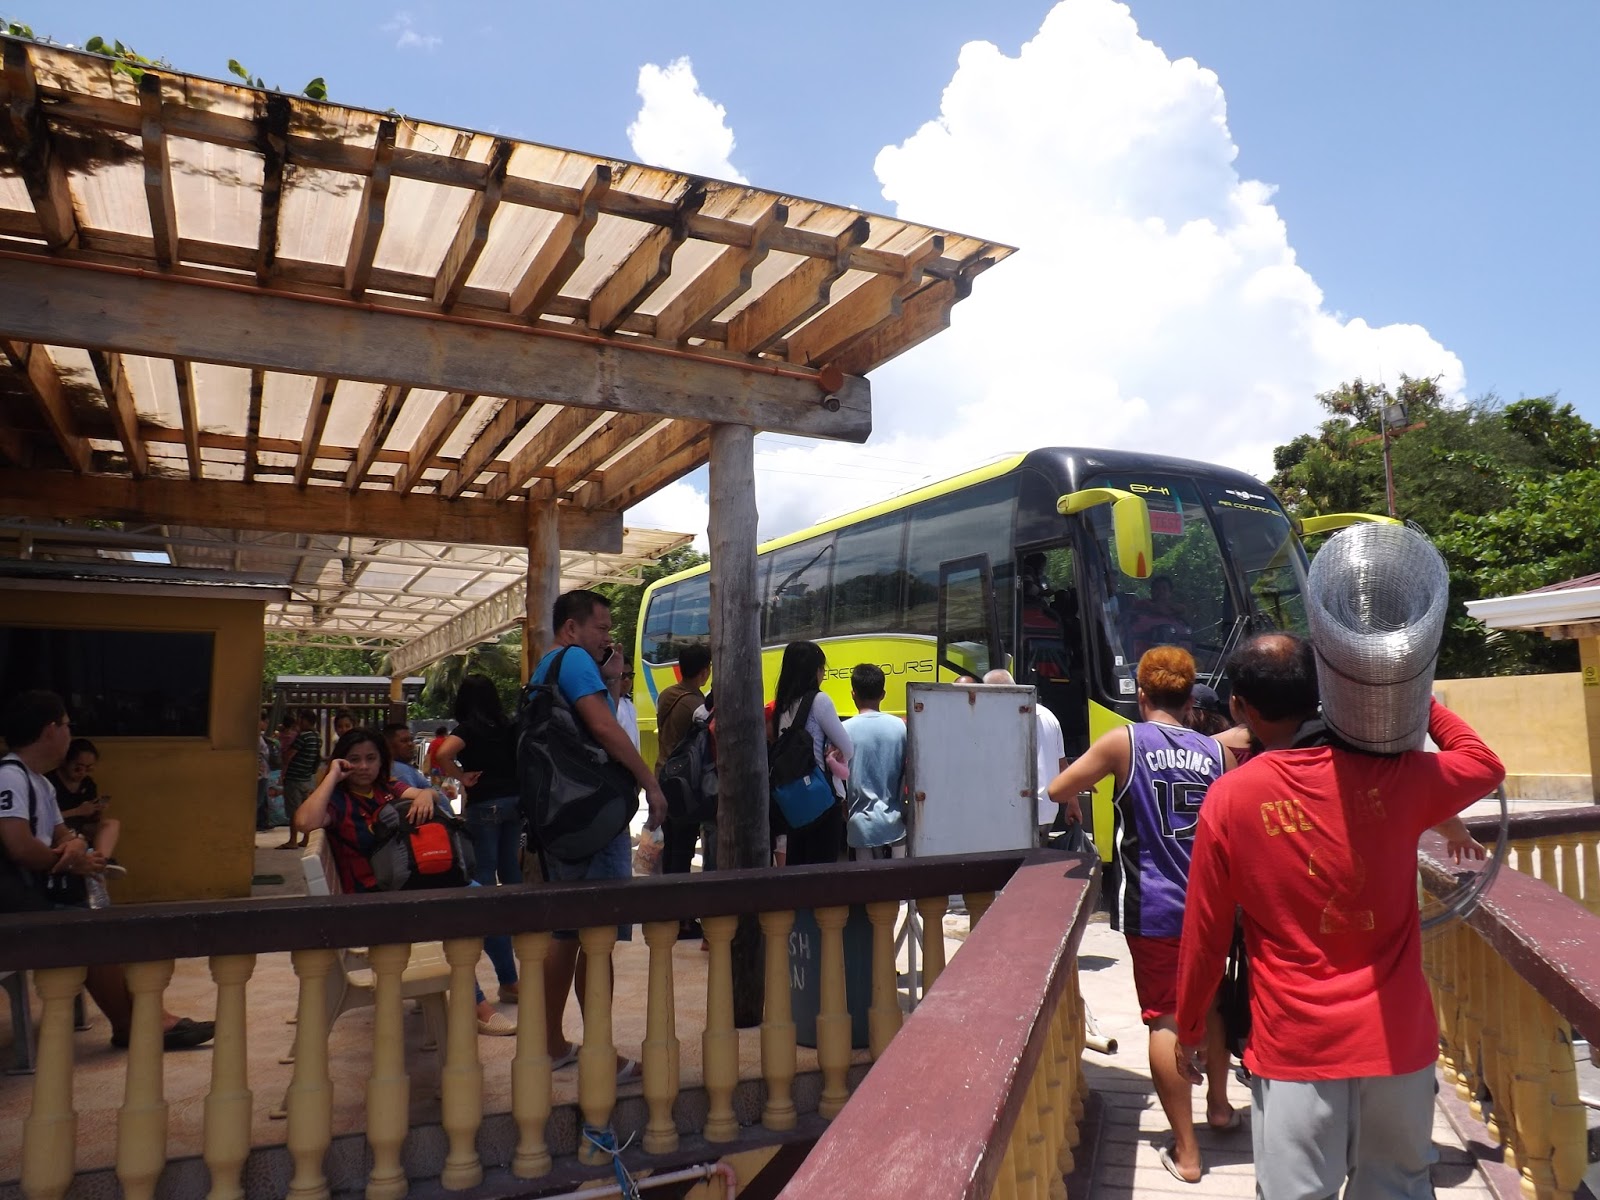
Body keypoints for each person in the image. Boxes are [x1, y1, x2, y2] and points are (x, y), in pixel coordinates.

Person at [1175, 634, 1503, 1198]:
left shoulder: (1230, 799)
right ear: (1323, 690)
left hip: (1296, 1045)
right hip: (1397, 1039)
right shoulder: (1396, 776)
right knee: (1398, 1188)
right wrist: (1413, 697)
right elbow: (1484, 765)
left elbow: (1205, 935)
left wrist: (1189, 1029)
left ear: (1240, 707)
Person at [1045, 647, 1233, 1183]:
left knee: (1165, 1017)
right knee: (1211, 1005)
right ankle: (1220, 1107)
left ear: (1142, 695)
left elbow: (1058, 789)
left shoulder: (1123, 742)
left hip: (1152, 906)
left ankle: (1188, 1151)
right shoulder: (1217, 753)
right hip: (1211, 905)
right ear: (1191, 699)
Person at [1, 691, 214, 1049]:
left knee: (108, 926)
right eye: (67, 725)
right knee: (93, 933)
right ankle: (133, 1025)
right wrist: (67, 859)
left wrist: (74, 848)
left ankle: (147, 1018)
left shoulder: (39, 781)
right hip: (14, 905)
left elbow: (63, 833)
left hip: (35, 896)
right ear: (51, 730)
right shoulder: (10, 777)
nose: (69, 733)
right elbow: (18, 845)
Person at [292, 727, 515, 1037]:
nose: (364, 766)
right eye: (354, 759)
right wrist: (331, 776)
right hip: (373, 902)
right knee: (457, 916)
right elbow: (305, 822)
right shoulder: (338, 803)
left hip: (407, 888)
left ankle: (509, 982)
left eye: (371, 758)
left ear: (381, 761)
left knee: (487, 902)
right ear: (342, 762)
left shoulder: (387, 788)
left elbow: (429, 793)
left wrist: (425, 794)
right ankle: (475, 1004)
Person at [532, 589, 667, 1076]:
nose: (607, 638)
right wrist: (650, 783)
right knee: (598, 937)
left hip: (561, 815)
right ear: (571, 628)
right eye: (602, 628)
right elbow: (605, 729)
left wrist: (609, 678)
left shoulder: (546, 666)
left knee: (566, 933)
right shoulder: (574, 660)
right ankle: (600, 1052)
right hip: (594, 817)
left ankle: (551, 1043)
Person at [432, 676, 522, 1005]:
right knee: (510, 867)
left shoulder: (468, 729)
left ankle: (490, 925)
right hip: (514, 802)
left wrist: (462, 777)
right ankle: (517, 923)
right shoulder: (508, 726)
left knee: (484, 872)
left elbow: (443, 754)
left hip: (485, 805)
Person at [767, 640, 852, 866]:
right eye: (822, 668)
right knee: (822, 873)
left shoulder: (782, 705)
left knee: (799, 870)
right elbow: (848, 748)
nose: (823, 674)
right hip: (821, 798)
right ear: (814, 670)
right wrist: (832, 752)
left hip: (793, 801)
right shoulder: (819, 701)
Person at [983, 668, 1067, 846]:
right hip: (1047, 811)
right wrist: (1073, 803)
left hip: (1016, 813)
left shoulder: (1004, 719)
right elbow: (1062, 764)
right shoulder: (1049, 715)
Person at [841, 664, 906, 859]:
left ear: (853, 694)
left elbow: (838, 783)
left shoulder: (843, 730)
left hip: (859, 828)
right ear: (883, 694)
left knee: (864, 878)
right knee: (898, 877)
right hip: (895, 826)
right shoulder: (900, 727)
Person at [47, 737, 122, 870]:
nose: (82, 773)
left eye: (88, 769)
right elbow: (43, 818)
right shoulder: (48, 782)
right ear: (66, 762)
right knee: (75, 836)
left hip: (80, 827)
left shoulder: (88, 783)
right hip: (57, 831)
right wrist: (77, 811)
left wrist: (96, 811)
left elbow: (91, 820)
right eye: (78, 768)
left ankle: (101, 861)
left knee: (111, 824)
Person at [277, 708, 320, 850]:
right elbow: (317, 758)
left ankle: (293, 840)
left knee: (294, 811)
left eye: (300, 719)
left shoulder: (303, 737)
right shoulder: (317, 737)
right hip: (307, 778)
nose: (298, 721)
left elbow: (288, 756)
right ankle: (306, 838)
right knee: (306, 809)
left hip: (294, 778)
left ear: (305, 720)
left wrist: (284, 755)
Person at [602, 646, 640, 750]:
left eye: (630, 675)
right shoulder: (609, 705)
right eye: (623, 676)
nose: (627, 680)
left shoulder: (630, 705)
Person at [384, 723, 429, 790]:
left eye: (411, 740)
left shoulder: (404, 767)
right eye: (404, 741)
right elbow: (414, 796)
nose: (410, 744)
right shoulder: (399, 770)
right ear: (389, 745)